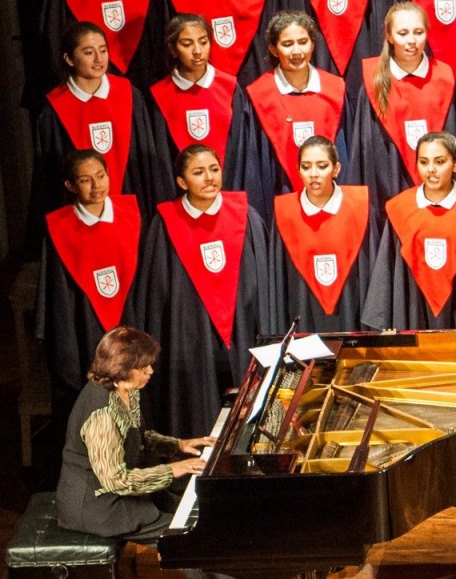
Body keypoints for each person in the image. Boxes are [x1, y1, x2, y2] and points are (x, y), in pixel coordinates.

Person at [57, 327, 255, 579]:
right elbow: (116, 481)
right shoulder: (102, 415)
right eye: (143, 366)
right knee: (187, 531)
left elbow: (139, 437)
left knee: (194, 506)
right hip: (96, 506)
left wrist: (179, 445)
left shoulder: (125, 391)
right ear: (123, 368)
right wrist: (173, 468)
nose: (150, 371)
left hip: (116, 491)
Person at [131, 143, 278, 434]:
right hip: (190, 331)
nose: (210, 178)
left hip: (241, 325)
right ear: (182, 182)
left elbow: (263, 279)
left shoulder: (245, 215)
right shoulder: (166, 223)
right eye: (199, 172)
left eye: (214, 169)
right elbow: (159, 288)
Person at [363, 130, 456, 329]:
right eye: (423, 162)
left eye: (439, 162)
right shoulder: (401, 209)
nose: (431, 169)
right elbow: (387, 274)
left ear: (455, 164)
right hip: (413, 309)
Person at [39, 151, 145, 414]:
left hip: (130, 317)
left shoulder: (130, 214)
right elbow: (56, 294)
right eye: (86, 180)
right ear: (70, 185)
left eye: (101, 176)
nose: (97, 186)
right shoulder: (59, 228)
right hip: (82, 324)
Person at [34, 22, 168, 221]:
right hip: (80, 217)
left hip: (131, 204)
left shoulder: (130, 95)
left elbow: (146, 164)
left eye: (103, 50)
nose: (99, 59)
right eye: (88, 52)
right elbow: (50, 178)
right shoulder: (54, 110)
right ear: (69, 59)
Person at [232, 11, 352, 217]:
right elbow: (254, 164)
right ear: (273, 49)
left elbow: (346, 154)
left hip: (330, 199)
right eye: (287, 44)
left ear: (313, 44)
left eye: (303, 42)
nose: (297, 51)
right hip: (279, 196)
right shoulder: (260, 95)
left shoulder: (334, 90)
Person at [348, 1, 456, 210]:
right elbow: (364, 148)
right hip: (388, 184)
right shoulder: (374, 81)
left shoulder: (443, 78)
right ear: (389, 36)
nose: (411, 41)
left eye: (418, 32)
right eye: (403, 33)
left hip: (439, 190)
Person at [269, 135, 380, 331]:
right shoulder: (285, 212)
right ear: (298, 170)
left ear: (336, 169)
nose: (313, 174)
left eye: (322, 166)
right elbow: (279, 283)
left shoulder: (359, 207)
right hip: (302, 315)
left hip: (353, 313)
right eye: (306, 166)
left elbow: (373, 273)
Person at [144, 15, 237, 175]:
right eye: (187, 44)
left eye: (203, 42)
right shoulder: (160, 95)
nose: (197, 51)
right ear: (173, 49)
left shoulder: (229, 87)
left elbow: (240, 149)